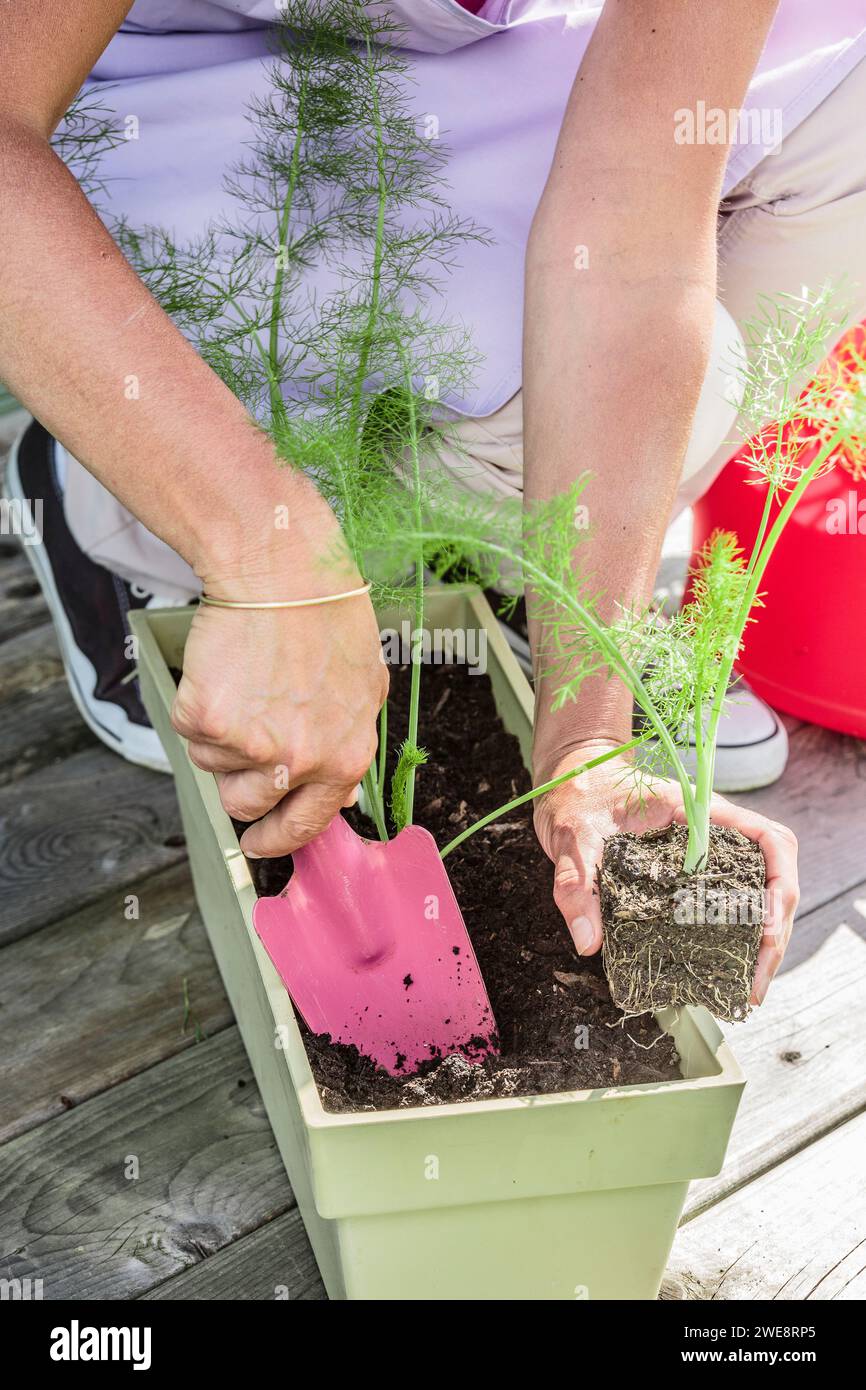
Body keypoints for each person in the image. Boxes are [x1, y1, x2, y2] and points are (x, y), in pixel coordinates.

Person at [3, 0, 865, 1005]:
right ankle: (129, 517)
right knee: (295, 324)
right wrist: (268, 556)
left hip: (490, 56)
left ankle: (498, 571)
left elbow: (632, 236)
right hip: (163, 86)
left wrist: (585, 724)